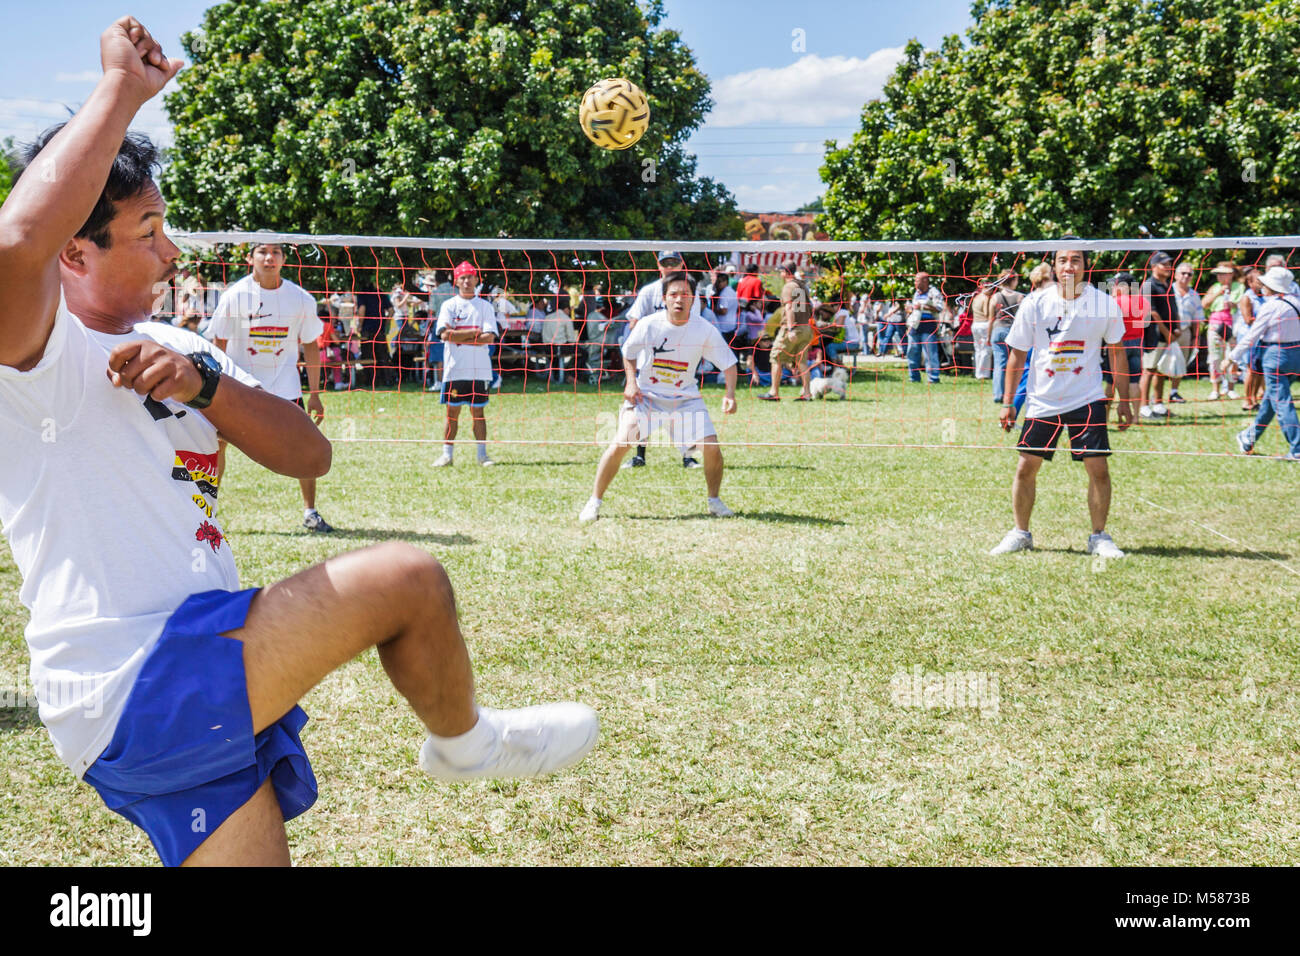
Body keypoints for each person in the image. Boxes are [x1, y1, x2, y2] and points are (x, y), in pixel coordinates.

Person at [0, 17, 597, 868]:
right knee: (406, 577)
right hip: (134, 678)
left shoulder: (189, 348)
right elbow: (15, 241)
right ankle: (467, 743)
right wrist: (122, 93)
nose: (172, 252)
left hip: (193, 675)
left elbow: (308, 456)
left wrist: (204, 381)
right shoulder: (33, 356)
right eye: (147, 232)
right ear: (76, 254)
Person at [989, 241, 1132, 559]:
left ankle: (1099, 537)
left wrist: (1124, 401)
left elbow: (1117, 354)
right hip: (1043, 399)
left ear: (1086, 265)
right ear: (1054, 266)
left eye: (1076, 260)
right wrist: (1008, 402)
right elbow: (1017, 355)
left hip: (1089, 397)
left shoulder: (1102, 302)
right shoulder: (1036, 303)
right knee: (1026, 467)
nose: (1070, 266)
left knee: (1098, 469)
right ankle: (1020, 533)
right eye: (1063, 260)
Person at [579, 272, 738, 523]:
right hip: (647, 396)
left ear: (693, 299)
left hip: (685, 398)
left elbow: (729, 364)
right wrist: (631, 383)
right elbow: (629, 353)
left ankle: (714, 501)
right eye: (673, 294)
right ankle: (594, 502)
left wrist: (730, 395)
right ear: (664, 298)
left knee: (712, 447)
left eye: (685, 294)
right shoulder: (649, 324)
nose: (679, 299)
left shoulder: (704, 329)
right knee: (621, 443)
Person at [209, 241, 335, 533]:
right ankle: (209, 513)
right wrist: (218, 389)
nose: (269, 257)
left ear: (284, 258)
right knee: (216, 446)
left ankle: (310, 512)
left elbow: (311, 346)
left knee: (304, 446)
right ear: (250, 257)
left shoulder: (299, 298)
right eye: (263, 252)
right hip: (242, 387)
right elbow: (218, 345)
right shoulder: (234, 296)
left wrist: (314, 394)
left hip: (285, 388)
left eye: (276, 252)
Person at [624, 251, 702, 468]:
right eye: (665, 263)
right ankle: (639, 456)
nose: (670, 267)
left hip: (679, 361)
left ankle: (688, 456)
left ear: (681, 265)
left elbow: (694, 322)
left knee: (682, 408)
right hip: (650, 361)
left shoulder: (689, 292)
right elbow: (634, 322)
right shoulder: (649, 291)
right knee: (641, 409)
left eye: (674, 263)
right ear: (659, 266)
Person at [432, 261, 497, 466]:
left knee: (478, 412)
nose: (467, 281)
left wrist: (458, 336)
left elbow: (489, 338)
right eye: (462, 277)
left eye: (470, 276)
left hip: (479, 370)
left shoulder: (485, 306)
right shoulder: (448, 305)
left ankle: (482, 455)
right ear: (456, 281)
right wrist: (473, 333)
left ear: (477, 279)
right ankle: (447, 455)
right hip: (454, 370)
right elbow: (444, 334)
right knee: (452, 413)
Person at [1232, 267, 1300, 460]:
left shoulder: (1271, 306)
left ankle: (1297, 448)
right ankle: (1248, 437)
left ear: (1272, 286)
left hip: (1276, 356)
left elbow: (1252, 335)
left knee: (1282, 403)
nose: (1262, 285)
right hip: (1296, 355)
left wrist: (1232, 358)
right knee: (1271, 400)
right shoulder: (1297, 301)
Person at [758, 260, 815, 400]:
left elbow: (789, 308)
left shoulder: (788, 287)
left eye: (781, 271)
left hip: (793, 328)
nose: (780, 274)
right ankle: (807, 393)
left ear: (785, 272)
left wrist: (790, 329)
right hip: (806, 327)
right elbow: (811, 307)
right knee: (802, 362)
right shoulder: (803, 286)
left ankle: (773, 393)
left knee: (775, 357)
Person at [1137, 251, 1177, 419]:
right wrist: (1166, 332)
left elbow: (1174, 309)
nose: (1169, 267)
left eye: (1169, 264)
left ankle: (1158, 404)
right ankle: (1144, 406)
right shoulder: (1148, 285)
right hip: (1152, 335)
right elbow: (1152, 312)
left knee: (1161, 370)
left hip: (1168, 335)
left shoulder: (1168, 285)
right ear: (1154, 267)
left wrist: (1177, 328)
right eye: (1164, 264)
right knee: (1149, 370)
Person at [1201, 262, 1242, 400]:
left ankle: (1231, 388)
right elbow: (1204, 304)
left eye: (1223, 273)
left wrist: (1233, 303)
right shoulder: (1215, 287)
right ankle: (1215, 389)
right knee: (1215, 357)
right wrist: (1218, 293)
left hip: (1233, 323)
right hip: (1215, 324)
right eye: (1218, 274)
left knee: (1232, 356)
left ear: (1231, 275)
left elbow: (1242, 302)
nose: (1219, 276)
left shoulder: (1239, 287)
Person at [1169, 261, 1204, 403]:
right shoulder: (1168, 291)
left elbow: (1197, 320)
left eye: (1189, 274)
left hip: (1184, 332)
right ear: (1176, 275)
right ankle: (1156, 397)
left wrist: (1196, 338)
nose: (1186, 276)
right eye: (1183, 273)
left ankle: (1174, 392)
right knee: (1160, 364)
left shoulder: (1194, 295)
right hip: (1168, 331)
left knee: (1181, 363)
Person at [988, 270, 1023, 405]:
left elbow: (991, 318)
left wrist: (988, 335)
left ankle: (998, 394)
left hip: (998, 330)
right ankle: (1013, 393)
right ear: (1013, 281)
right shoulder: (1020, 297)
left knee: (999, 364)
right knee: (1015, 364)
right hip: (1013, 331)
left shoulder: (995, 297)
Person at [904, 271, 946, 384]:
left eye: (917, 280)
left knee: (929, 353)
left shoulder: (934, 292)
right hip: (915, 325)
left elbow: (939, 308)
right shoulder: (916, 293)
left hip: (928, 325)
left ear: (925, 281)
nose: (915, 282)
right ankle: (914, 377)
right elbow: (914, 309)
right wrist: (910, 309)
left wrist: (922, 306)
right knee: (912, 351)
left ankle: (933, 378)